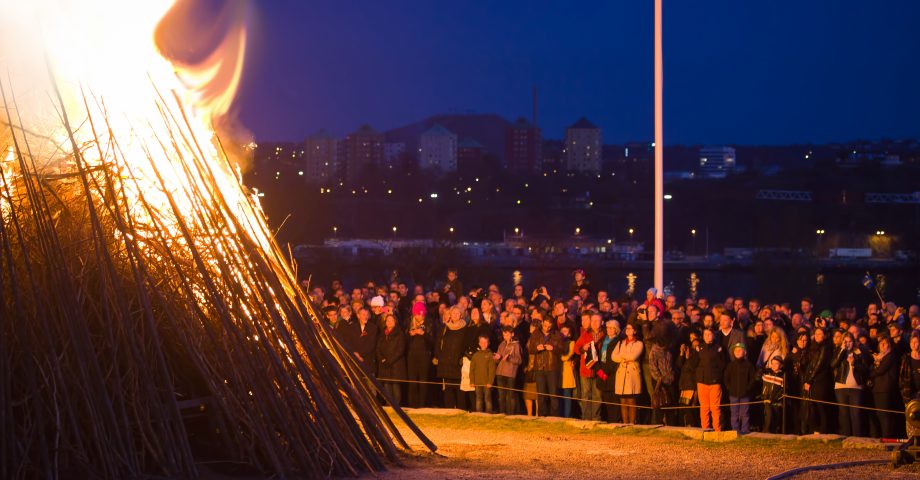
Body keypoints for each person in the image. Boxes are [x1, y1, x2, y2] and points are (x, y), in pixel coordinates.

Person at [832, 332, 869, 437]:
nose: (848, 344)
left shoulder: (859, 353)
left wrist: (854, 363)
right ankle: (845, 437)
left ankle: (857, 438)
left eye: (850, 341)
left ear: (853, 342)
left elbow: (865, 370)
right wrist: (842, 350)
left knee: (856, 414)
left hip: (856, 388)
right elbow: (833, 364)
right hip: (841, 387)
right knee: (844, 414)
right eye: (845, 341)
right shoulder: (839, 351)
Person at [527, 315, 564, 416]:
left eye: (549, 326)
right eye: (545, 325)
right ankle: (542, 417)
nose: (546, 328)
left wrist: (553, 348)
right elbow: (530, 349)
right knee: (541, 395)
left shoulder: (557, 335)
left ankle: (555, 417)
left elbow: (563, 350)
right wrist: (536, 348)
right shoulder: (535, 333)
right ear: (542, 323)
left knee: (553, 395)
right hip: (539, 367)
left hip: (552, 367)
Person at [691, 329, 725, 432]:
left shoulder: (719, 348)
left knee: (715, 408)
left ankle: (717, 430)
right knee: (704, 407)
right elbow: (693, 364)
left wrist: (717, 376)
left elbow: (722, 364)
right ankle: (705, 429)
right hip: (702, 381)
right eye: (705, 334)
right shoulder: (699, 348)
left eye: (710, 334)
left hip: (715, 382)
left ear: (714, 335)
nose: (707, 336)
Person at [434, 306, 468, 409]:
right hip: (445, 363)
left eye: (457, 313)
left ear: (461, 315)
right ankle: (449, 409)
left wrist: (462, 358)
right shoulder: (445, 328)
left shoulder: (465, 329)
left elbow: (466, 345)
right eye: (453, 313)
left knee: (459, 390)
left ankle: (461, 410)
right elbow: (438, 343)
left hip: (458, 364)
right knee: (448, 390)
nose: (455, 315)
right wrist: (439, 357)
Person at [610, 323, 643, 424]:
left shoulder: (639, 344)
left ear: (635, 330)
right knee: (623, 400)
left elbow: (633, 356)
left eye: (630, 328)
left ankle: (632, 423)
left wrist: (622, 356)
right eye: (627, 328)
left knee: (631, 400)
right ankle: (625, 423)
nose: (627, 330)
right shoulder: (621, 343)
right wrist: (625, 357)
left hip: (632, 374)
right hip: (621, 373)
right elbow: (613, 356)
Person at [803, 327, 833, 434]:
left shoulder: (825, 347)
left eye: (820, 334)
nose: (817, 336)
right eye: (816, 334)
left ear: (824, 335)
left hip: (821, 379)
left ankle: (823, 429)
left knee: (821, 405)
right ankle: (815, 428)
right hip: (814, 379)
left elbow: (818, 365)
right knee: (814, 405)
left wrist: (809, 381)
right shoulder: (813, 347)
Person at [575, 313, 605, 421]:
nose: (594, 323)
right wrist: (583, 348)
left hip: (599, 369)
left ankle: (596, 417)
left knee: (598, 395)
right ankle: (586, 417)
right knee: (586, 395)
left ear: (602, 322)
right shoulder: (585, 334)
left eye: (597, 321)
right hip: (586, 369)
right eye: (592, 321)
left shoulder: (605, 334)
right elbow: (576, 348)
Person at [724, 343, 756, 434]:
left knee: (745, 414)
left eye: (740, 350)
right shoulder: (730, 365)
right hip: (733, 394)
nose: (737, 352)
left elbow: (752, 379)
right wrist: (730, 388)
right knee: (734, 414)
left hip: (745, 394)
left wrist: (747, 389)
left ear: (744, 352)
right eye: (736, 350)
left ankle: (745, 431)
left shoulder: (749, 365)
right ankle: (735, 431)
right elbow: (726, 378)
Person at [870, 336, 899, 438]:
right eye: (880, 343)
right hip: (878, 389)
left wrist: (877, 363)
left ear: (890, 345)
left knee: (884, 415)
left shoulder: (890, 356)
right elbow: (872, 369)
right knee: (880, 414)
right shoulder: (881, 356)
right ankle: (884, 436)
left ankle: (887, 438)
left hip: (885, 389)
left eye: (885, 343)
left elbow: (879, 371)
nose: (882, 345)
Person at [376, 314, 407, 407]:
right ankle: (388, 403)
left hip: (395, 365)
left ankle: (396, 405)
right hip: (384, 364)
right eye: (387, 320)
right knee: (386, 385)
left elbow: (400, 350)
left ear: (395, 322)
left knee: (395, 386)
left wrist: (389, 360)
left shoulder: (400, 334)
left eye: (391, 320)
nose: (389, 322)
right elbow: (378, 348)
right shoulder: (382, 333)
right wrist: (382, 359)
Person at [405, 302, 432, 408]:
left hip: (424, 356)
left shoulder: (429, 323)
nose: (418, 316)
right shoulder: (409, 323)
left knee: (423, 381)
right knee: (412, 381)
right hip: (411, 356)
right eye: (416, 314)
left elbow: (432, 341)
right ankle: (413, 405)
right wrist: (410, 335)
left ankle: (422, 405)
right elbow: (405, 340)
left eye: (420, 314)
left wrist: (423, 334)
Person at [596, 320, 622, 423]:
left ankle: (615, 420)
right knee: (605, 398)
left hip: (612, 374)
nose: (609, 330)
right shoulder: (603, 340)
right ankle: (608, 419)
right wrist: (599, 370)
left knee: (614, 400)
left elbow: (615, 360)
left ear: (616, 330)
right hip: (602, 371)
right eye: (608, 328)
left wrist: (606, 371)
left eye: (612, 328)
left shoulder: (618, 341)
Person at [494, 326, 522, 415]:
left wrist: (509, 358)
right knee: (501, 395)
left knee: (510, 395)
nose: (505, 337)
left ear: (512, 334)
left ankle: (511, 414)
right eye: (504, 335)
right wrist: (496, 358)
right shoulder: (502, 344)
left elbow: (519, 360)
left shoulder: (516, 345)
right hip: (500, 373)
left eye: (507, 335)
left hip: (510, 373)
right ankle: (502, 413)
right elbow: (499, 359)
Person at [470, 335, 497, 413]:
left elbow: (492, 370)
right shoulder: (475, 355)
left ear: (488, 343)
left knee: (487, 399)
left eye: (485, 342)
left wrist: (490, 382)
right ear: (479, 343)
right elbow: (472, 370)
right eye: (482, 342)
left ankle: (488, 414)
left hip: (487, 383)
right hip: (477, 382)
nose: (483, 344)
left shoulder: (490, 355)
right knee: (478, 399)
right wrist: (472, 381)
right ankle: (479, 414)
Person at [761, 356, 785, 433]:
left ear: (781, 365)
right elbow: (757, 377)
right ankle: (766, 432)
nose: (774, 365)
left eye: (776, 363)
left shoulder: (782, 376)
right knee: (769, 417)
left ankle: (774, 433)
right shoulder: (767, 373)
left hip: (776, 401)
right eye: (773, 363)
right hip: (767, 400)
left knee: (776, 418)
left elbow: (783, 390)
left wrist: (776, 398)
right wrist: (761, 368)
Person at [558, 324, 577, 418]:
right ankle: (561, 415)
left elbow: (569, 355)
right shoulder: (557, 342)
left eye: (565, 331)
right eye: (561, 331)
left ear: (569, 334)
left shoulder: (571, 343)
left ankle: (567, 416)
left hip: (567, 371)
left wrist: (558, 357)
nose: (563, 333)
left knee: (567, 396)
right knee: (560, 397)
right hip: (559, 372)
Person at [899, 331, 920, 407]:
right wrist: (904, 395)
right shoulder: (906, 358)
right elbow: (901, 378)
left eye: (916, 342)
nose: (913, 344)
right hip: (910, 395)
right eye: (911, 342)